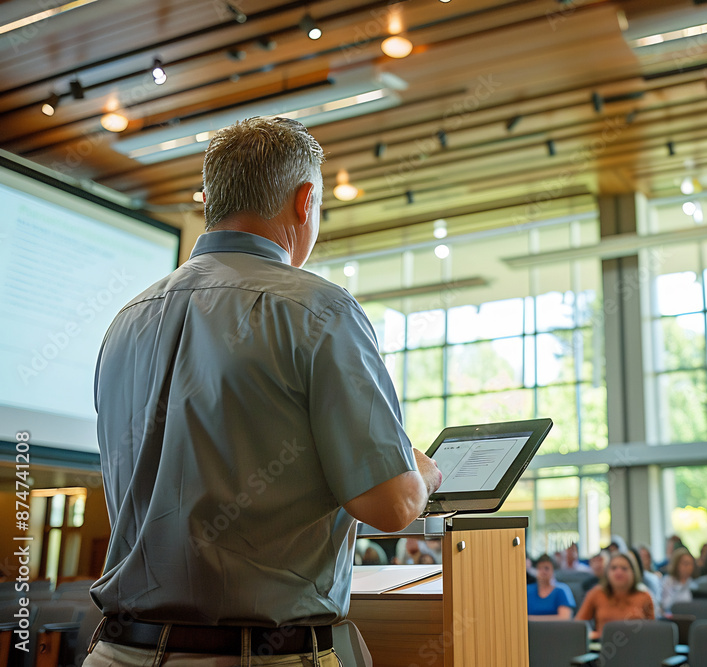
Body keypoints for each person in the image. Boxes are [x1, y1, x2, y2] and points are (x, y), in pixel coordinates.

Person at [85, 117, 444, 666]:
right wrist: (421, 473)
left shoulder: (125, 321)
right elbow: (391, 504)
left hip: (114, 651)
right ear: (305, 202)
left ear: (212, 201)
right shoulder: (318, 309)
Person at [576, 551, 655, 638]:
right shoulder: (596, 593)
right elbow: (578, 625)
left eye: (624, 568)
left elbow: (652, 631)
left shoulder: (644, 595)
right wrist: (592, 635)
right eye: (614, 568)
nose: (618, 572)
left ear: (633, 572)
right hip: (603, 646)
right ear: (607, 572)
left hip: (637, 646)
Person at [527, 554, 576, 620]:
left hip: (556, 629)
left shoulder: (562, 590)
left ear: (553, 570)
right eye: (539, 568)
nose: (543, 572)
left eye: (546, 568)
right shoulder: (527, 590)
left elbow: (564, 618)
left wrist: (531, 619)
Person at [660, 547, 698, 614]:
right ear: (676, 564)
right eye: (685, 564)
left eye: (691, 564)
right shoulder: (667, 581)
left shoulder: (695, 584)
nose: (689, 567)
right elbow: (665, 605)